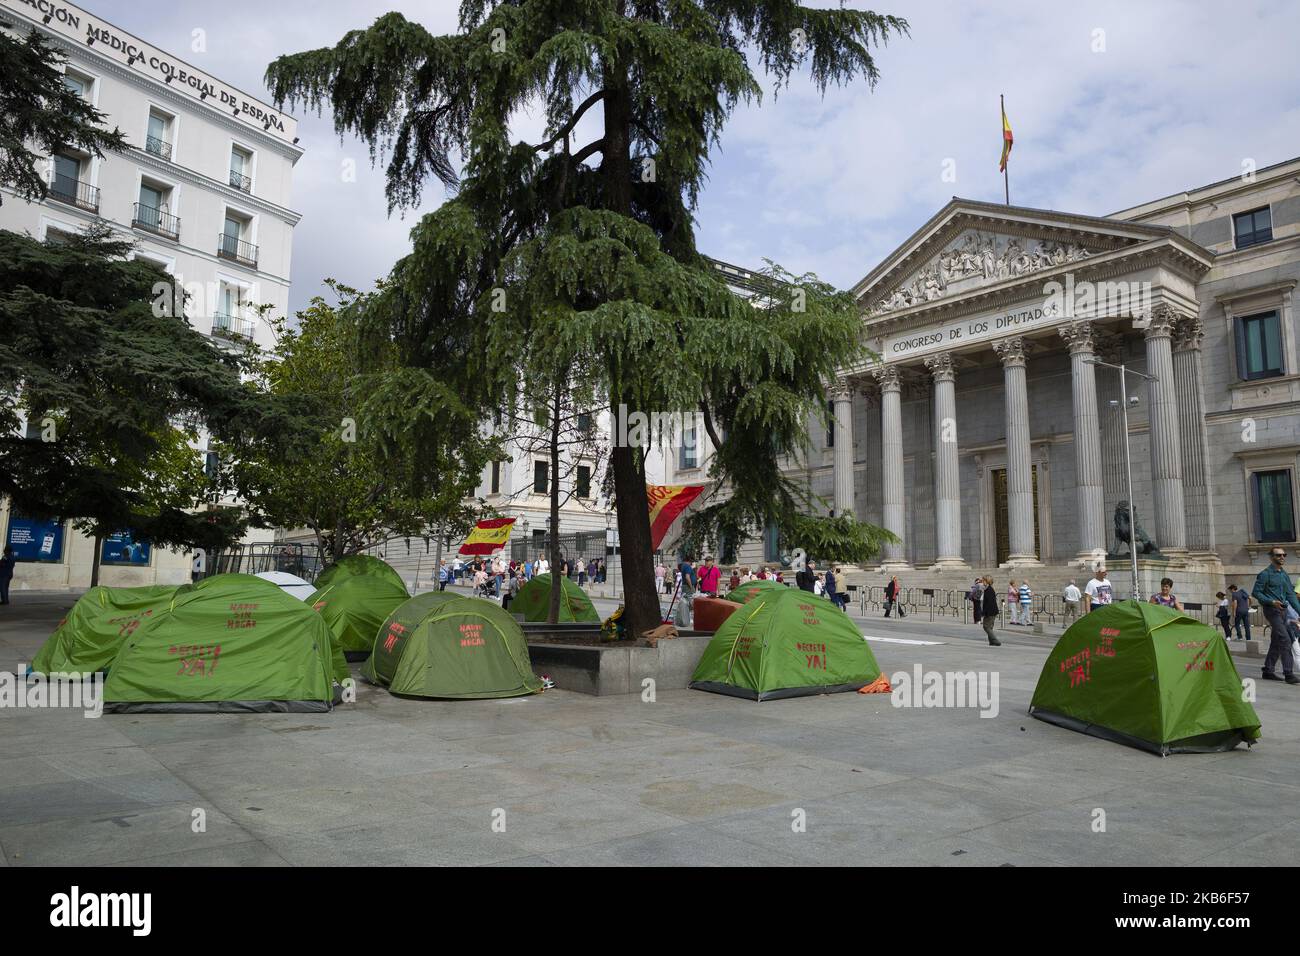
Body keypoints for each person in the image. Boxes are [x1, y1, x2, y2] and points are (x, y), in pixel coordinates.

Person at [1252, 546, 1300, 684]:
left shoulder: (1284, 574)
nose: (1282, 557)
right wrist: (1271, 601)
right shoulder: (1265, 574)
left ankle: (1268, 670)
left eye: (1284, 555)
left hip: (1283, 611)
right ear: (1271, 557)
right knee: (1285, 639)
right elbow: (1256, 592)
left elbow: (1291, 596)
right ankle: (1289, 674)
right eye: (1278, 555)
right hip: (1272, 610)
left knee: (1276, 641)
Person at [980, 576, 1001, 646]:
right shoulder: (989, 589)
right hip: (992, 611)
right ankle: (991, 641)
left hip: (990, 611)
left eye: (983, 581)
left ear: (986, 581)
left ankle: (995, 640)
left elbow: (989, 603)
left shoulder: (988, 590)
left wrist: (985, 612)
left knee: (986, 626)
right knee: (990, 627)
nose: (982, 582)